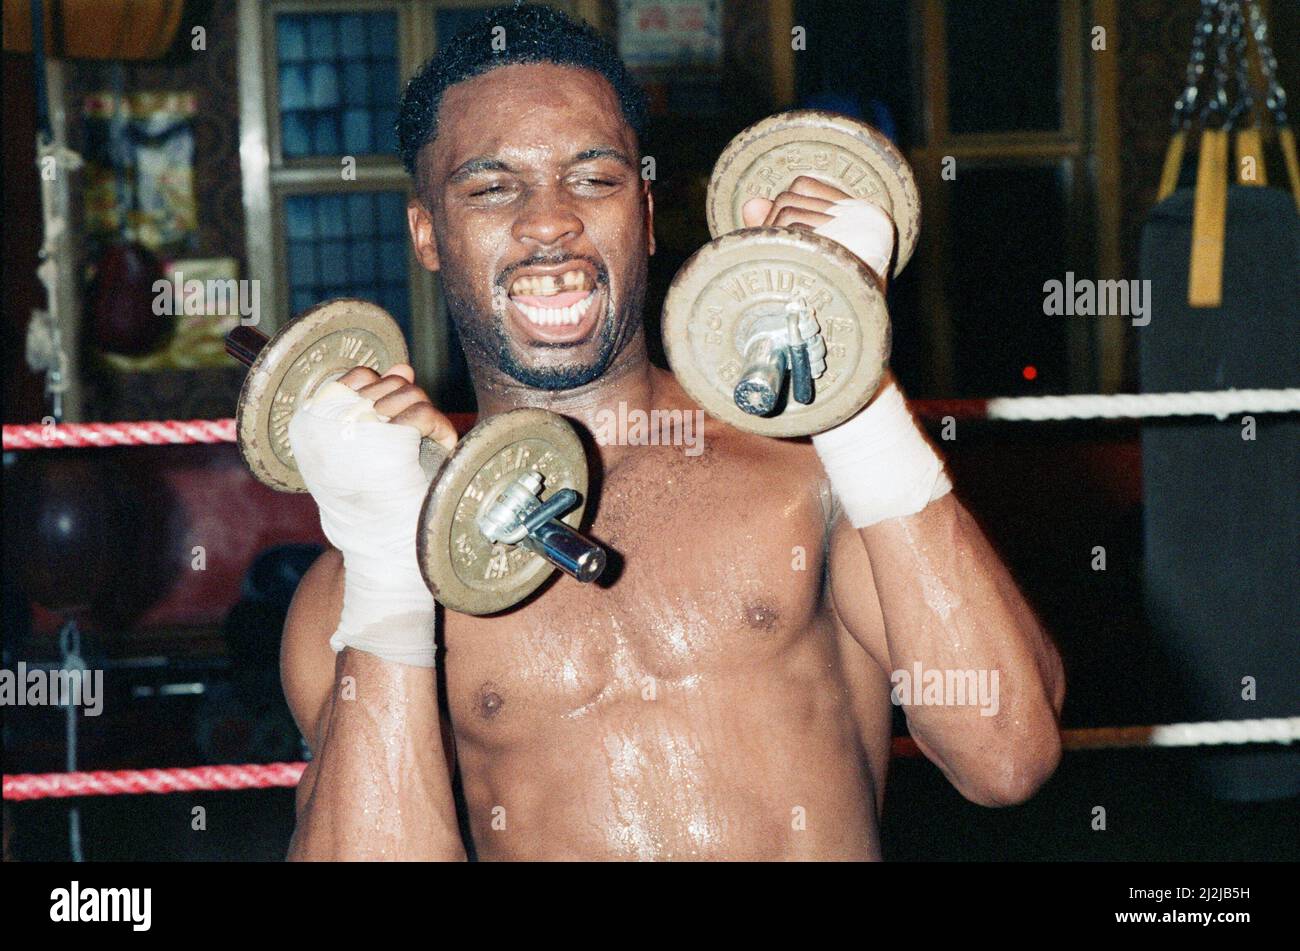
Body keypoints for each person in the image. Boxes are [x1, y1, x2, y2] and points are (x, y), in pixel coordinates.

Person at [280, 3, 1064, 861]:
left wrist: (852, 383)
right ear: (428, 232)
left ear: (648, 214)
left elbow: (1009, 755)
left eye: (594, 178)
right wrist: (392, 573)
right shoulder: (360, 581)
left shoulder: (805, 470)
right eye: (493, 187)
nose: (550, 221)